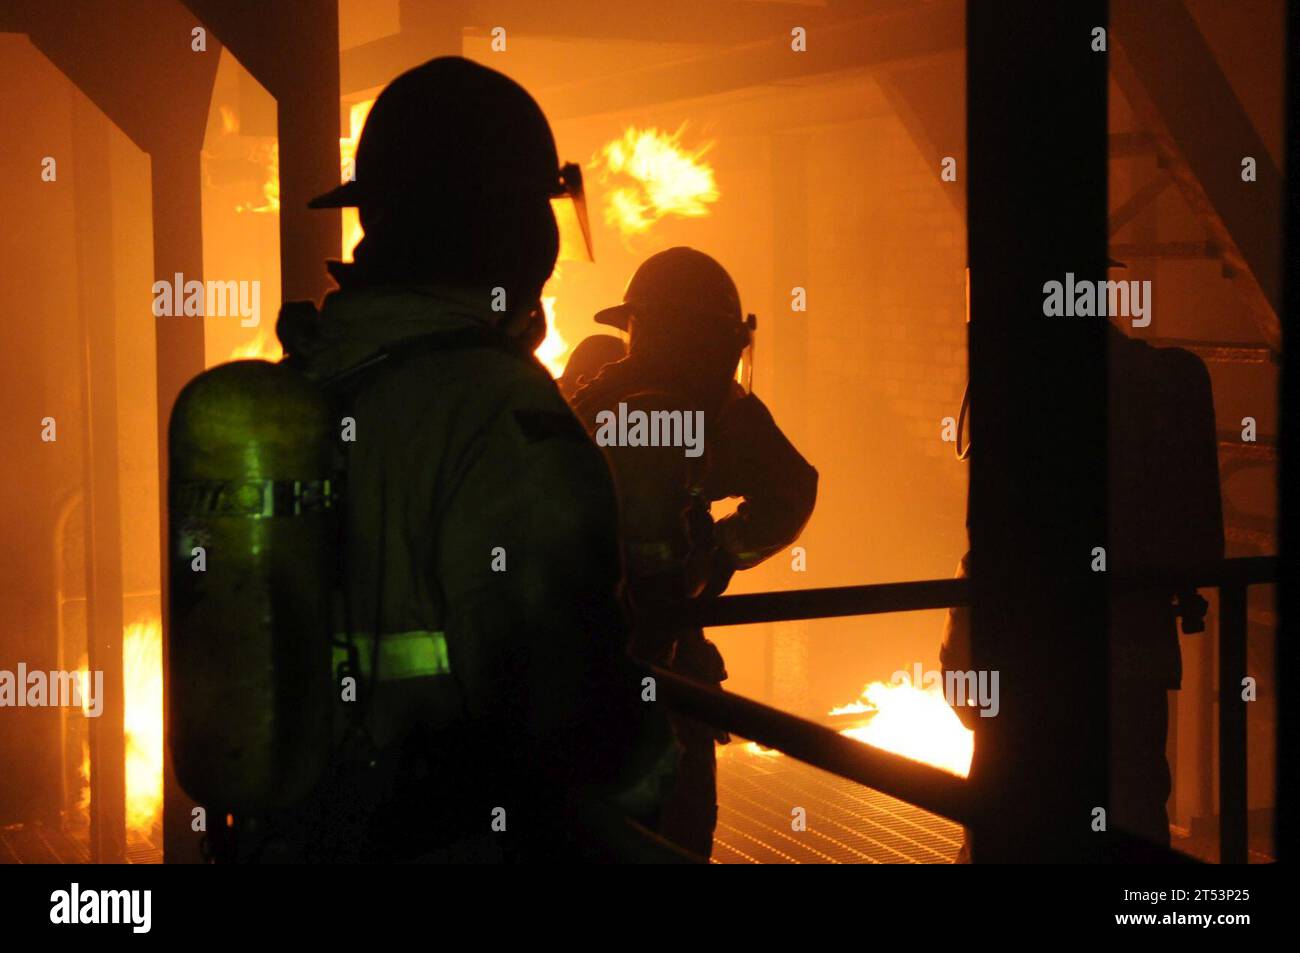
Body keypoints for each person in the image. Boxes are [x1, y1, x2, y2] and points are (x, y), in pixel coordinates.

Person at [252, 56, 677, 863]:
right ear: (509, 230)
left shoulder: (310, 378)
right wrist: (652, 763)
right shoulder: (500, 413)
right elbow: (569, 711)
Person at [570, 247, 818, 858]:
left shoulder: (590, 406)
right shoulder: (713, 411)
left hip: (576, 673)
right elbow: (792, 491)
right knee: (676, 834)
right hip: (669, 679)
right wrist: (720, 553)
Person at [941, 324, 1223, 855]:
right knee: (1135, 810)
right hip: (1135, 654)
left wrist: (963, 666)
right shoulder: (1161, 379)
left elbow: (994, 537)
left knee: (1010, 813)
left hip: (1032, 663)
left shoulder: (1021, 385)